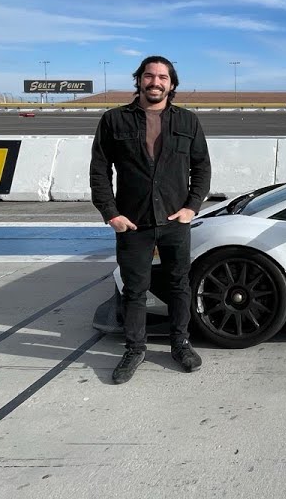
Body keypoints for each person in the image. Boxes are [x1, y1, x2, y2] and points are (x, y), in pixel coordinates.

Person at [90, 55, 212, 384]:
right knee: (134, 290)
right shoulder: (113, 121)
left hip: (175, 221)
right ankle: (134, 348)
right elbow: (99, 172)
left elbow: (202, 168)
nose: (155, 82)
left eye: (162, 77)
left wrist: (192, 207)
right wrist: (110, 213)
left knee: (178, 285)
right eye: (149, 76)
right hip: (133, 222)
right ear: (139, 80)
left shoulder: (188, 122)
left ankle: (180, 344)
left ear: (172, 84)